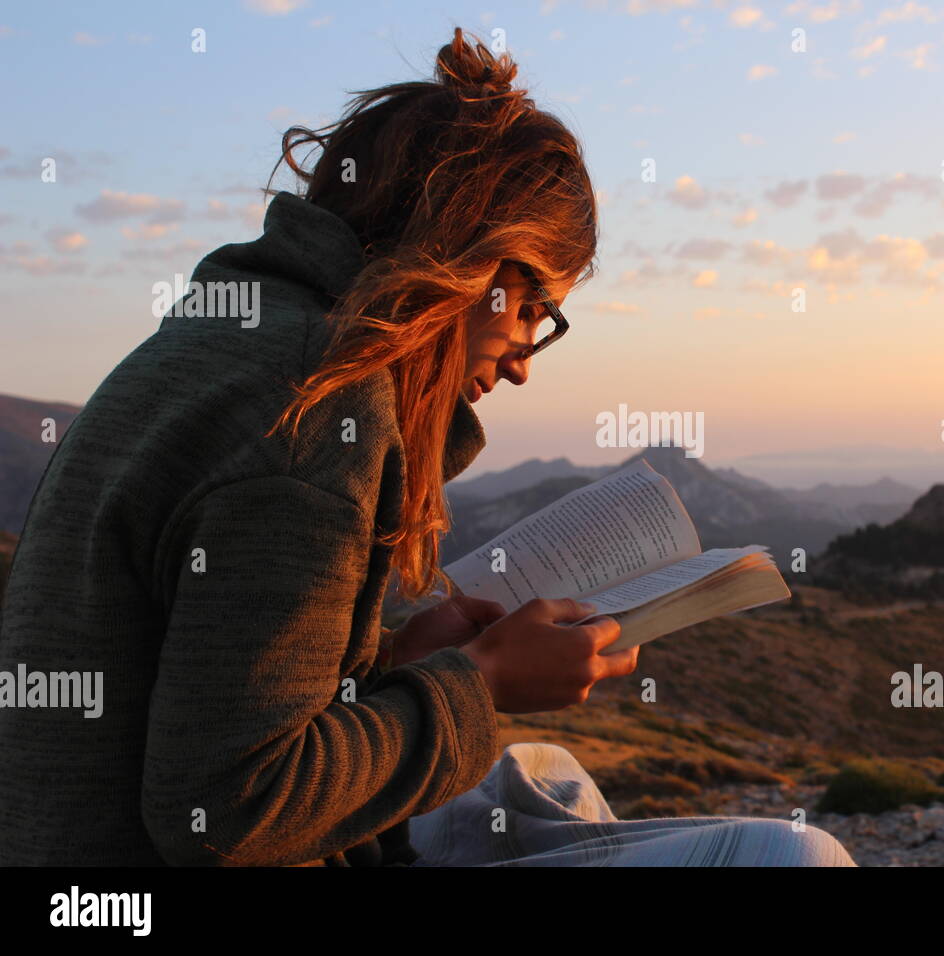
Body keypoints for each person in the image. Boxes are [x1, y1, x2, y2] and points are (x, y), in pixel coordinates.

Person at [0, 27, 854, 867]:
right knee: (798, 857)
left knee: (536, 776)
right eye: (533, 310)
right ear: (475, 267)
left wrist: (409, 658)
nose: (524, 360)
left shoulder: (220, 341)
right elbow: (226, 811)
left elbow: (220, 695)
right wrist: (480, 683)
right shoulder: (316, 418)